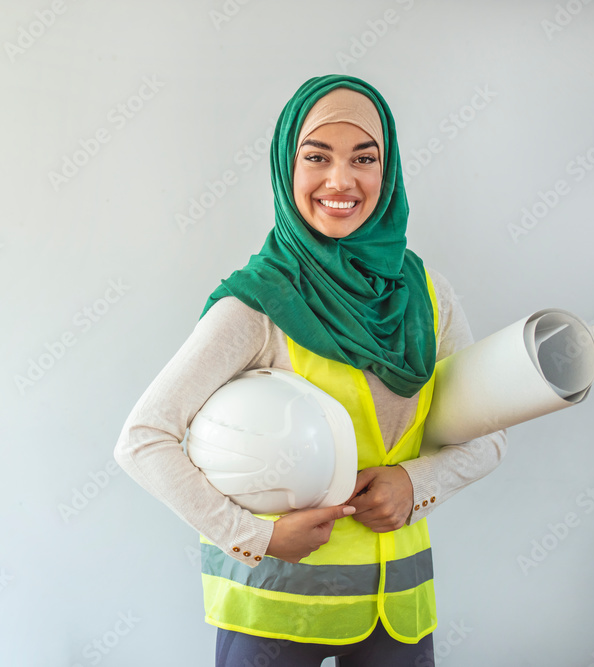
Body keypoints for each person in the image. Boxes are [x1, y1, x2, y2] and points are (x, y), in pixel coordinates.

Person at [113, 74, 507, 667]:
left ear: (388, 171)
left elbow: (489, 435)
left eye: (364, 158)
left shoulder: (427, 295)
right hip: (274, 610)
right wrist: (261, 538)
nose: (341, 180)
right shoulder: (258, 304)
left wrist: (414, 484)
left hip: (396, 610)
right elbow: (143, 440)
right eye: (317, 157)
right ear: (285, 168)